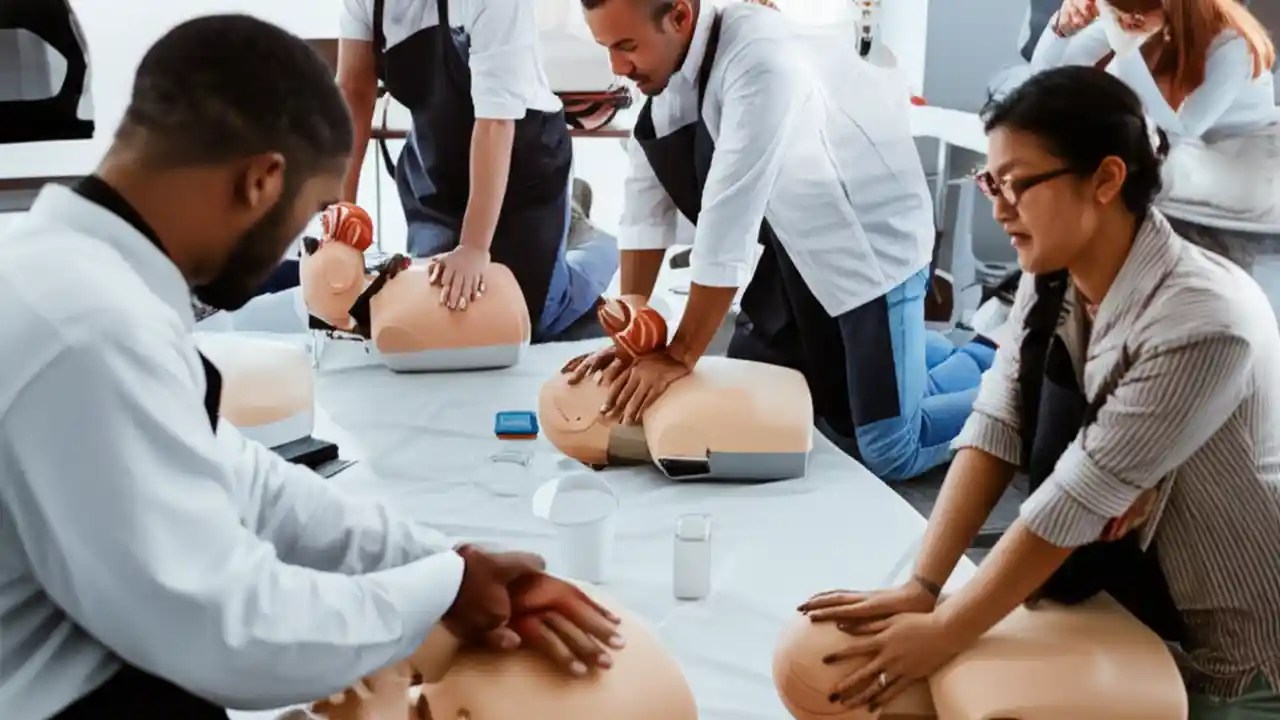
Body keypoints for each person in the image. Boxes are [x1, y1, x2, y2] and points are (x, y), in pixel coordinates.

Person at [0, 16, 621, 720]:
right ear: (263, 179)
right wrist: (435, 592)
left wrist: (445, 561)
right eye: (315, 211)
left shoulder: (77, 279)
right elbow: (225, 625)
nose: (306, 246)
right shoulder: (86, 334)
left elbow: (247, 483)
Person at [799, 67, 1280, 718]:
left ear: (1106, 180)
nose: (999, 206)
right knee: (818, 660)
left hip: (1231, 655)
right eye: (991, 181)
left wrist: (945, 628)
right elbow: (997, 423)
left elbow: (1079, 494)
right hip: (1116, 594)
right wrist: (923, 586)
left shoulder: (1203, 321)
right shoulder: (1058, 263)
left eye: (1018, 183)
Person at [562, 0, 995, 482]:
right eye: (607, 48)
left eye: (626, 47)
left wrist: (678, 355)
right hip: (796, 247)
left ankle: (1009, 374)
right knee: (807, 411)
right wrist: (633, 331)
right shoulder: (666, 67)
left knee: (889, 449)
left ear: (680, 17)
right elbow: (645, 201)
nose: (617, 68)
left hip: (871, 251)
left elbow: (727, 225)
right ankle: (944, 357)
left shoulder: (759, 61)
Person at [334, 0, 619, 343]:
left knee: (523, 320)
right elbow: (353, 90)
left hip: (522, 161)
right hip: (436, 168)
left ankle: (592, 241)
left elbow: (496, 121)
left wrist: (473, 247)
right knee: (438, 310)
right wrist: (341, 218)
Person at [1032, 0, 1279, 298]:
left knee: (1112, 160)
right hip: (1182, 153)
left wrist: (1125, 50)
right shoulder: (1139, 22)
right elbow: (1043, 88)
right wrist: (1062, 28)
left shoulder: (1232, 45)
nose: (1130, 16)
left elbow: (1175, 134)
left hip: (1247, 163)